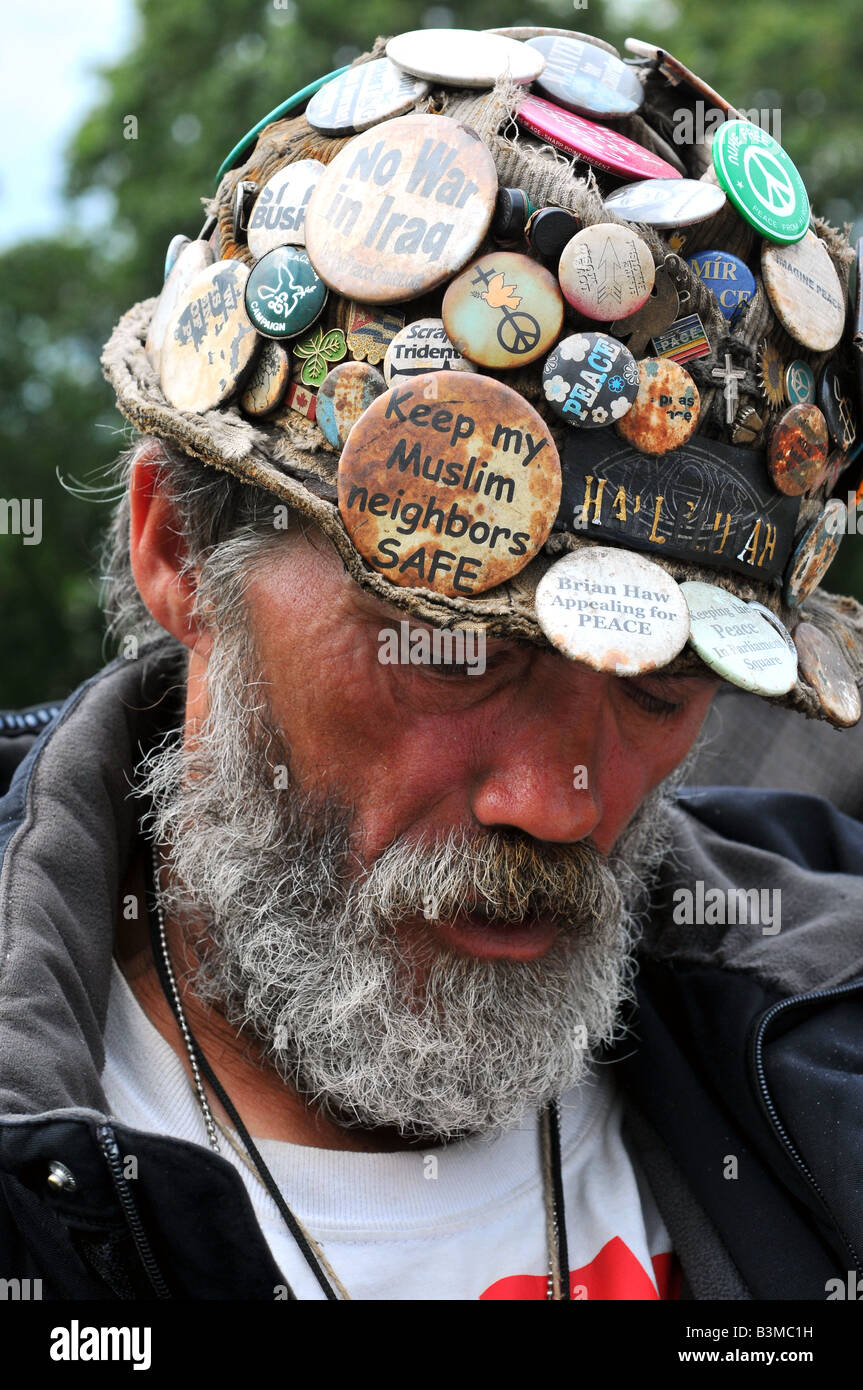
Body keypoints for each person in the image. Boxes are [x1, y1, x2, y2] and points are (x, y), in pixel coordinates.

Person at [1, 25, 862, 1303]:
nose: (561, 800)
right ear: (177, 550)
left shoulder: (827, 1020)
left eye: (657, 686)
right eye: (455, 655)